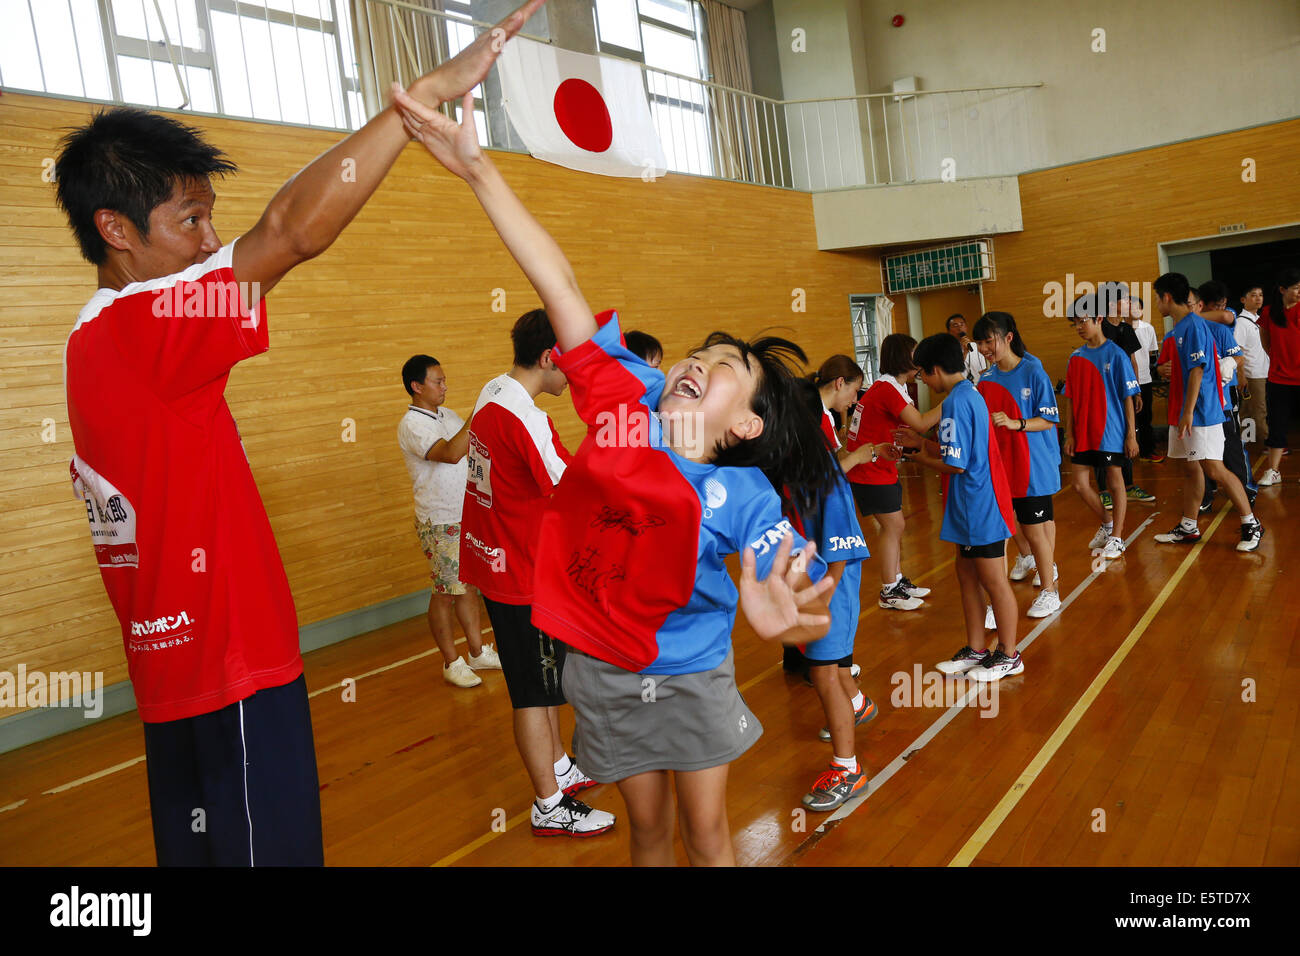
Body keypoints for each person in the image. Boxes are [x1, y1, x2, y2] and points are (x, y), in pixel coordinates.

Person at [53, 0, 545, 866]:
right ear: (115, 231)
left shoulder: (89, 342)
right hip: (232, 671)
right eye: (190, 223)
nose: (211, 244)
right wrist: (418, 98)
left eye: (211, 219)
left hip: (175, 683)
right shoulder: (144, 329)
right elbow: (287, 233)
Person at [395, 82, 839, 866]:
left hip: (693, 671)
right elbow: (557, 284)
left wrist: (788, 600)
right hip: (601, 666)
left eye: (727, 367)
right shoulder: (622, 399)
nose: (701, 361)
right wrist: (480, 173)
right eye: (700, 353)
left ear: (745, 424)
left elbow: (776, 563)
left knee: (707, 834)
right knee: (649, 832)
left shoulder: (737, 491)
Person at [459, 309, 615, 837]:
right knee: (531, 689)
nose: (576, 375)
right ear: (550, 357)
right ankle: (548, 803)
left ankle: (560, 768)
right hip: (518, 569)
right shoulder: (522, 416)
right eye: (571, 362)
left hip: (500, 558)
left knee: (546, 682)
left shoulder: (494, 390)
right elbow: (568, 486)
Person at [896, 334, 1019, 680]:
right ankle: (977, 648)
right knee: (965, 575)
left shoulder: (957, 402)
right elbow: (954, 450)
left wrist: (918, 458)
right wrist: (921, 442)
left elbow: (956, 464)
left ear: (936, 370)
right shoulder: (964, 396)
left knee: (994, 581)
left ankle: (1009, 653)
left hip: (983, 505)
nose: (922, 381)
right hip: (966, 506)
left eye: (923, 375)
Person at [782, 381, 876, 812]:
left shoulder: (821, 472)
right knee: (832, 669)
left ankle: (848, 770)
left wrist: (822, 595)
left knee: (823, 673)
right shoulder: (791, 464)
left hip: (830, 583)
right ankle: (857, 703)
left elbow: (839, 545)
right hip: (809, 582)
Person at [398, 354, 502, 688]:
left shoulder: (448, 415)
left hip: (464, 514)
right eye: (437, 381)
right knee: (445, 590)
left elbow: (473, 451)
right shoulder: (413, 424)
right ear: (417, 387)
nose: (444, 386)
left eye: (444, 380)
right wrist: (479, 411)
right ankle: (450, 660)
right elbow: (450, 453)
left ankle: (475, 652)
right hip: (440, 520)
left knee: (466, 586)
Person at [1150, 273, 1263, 552]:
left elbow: (1198, 371)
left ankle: (1251, 523)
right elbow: (1178, 370)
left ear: (1166, 297)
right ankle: (1189, 527)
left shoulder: (1195, 327)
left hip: (1202, 412)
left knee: (1215, 467)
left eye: (1157, 298)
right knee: (1192, 469)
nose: (1156, 303)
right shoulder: (1176, 331)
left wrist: (1188, 412)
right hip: (1182, 412)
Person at [972, 312, 1063, 619]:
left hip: (1033, 465)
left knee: (1034, 528)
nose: (984, 348)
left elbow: (1049, 419)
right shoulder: (986, 380)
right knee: (1002, 530)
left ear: (1007, 337)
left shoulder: (1033, 370)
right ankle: (998, 602)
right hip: (1002, 467)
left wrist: (1016, 423)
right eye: (980, 343)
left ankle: (1050, 591)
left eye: (989, 341)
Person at [843, 334, 935, 611]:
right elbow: (918, 423)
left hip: (881, 465)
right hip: (867, 469)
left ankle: (895, 581)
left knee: (895, 525)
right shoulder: (886, 389)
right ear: (903, 358)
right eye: (915, 355)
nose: (919, 361)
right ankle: (888, 590)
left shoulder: (893, 386)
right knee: (893, 525)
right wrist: (956, 396)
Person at [1060, 307, 1140, 562]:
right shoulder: (1076, 357)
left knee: (1114, 479)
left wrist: (1131, 436)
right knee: (1079, 484)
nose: (1080, 327)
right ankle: (1107, 523)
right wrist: (1069, 433)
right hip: (1083, 432)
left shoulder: (1116, 354)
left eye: (1083, 321)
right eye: (1075, 323)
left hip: (1110, 430)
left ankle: (1117, 536)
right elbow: (1070, 400)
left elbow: (1128, 398)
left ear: (1098, 319)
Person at [1194, 280, 1255, 510]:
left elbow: (1227, 318)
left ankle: (1244, 487)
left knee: (1232, 442)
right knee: (1202, 448)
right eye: (1216, 304)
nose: (1222, 307)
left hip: (1226, 392)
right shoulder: (1192, 329)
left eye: (1223, 303)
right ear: (1204, 303)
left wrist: (1191, 317)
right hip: (1201, 397)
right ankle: (1206, 494)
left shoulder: (1225, 317)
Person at [1094, 283, 1155, 506]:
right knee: (1103, 438)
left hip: (1123, 391)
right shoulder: (1099, 328)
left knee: (1128, 434)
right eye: (1126, 300)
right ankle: (1103, 490)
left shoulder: (1127, 329)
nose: (1130, 303)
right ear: (1112, 304)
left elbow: (1131, 361)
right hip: (1103, 393)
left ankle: (1129, 486)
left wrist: (1136, 389)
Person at [1256, 267, 1300, 487]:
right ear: (1282, 289)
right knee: (1277, 426)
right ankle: (1273, 470)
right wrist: (1280, 360)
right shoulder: (1268, 312)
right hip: (1279, 379)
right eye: (1296, 288)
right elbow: (1266, 343)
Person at [1126, 294, 1164, 462]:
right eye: (1129, 306)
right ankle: (1126, 452)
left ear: (1141, 310)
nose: (1133, 309)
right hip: (1126, 381)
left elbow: (1152, 355)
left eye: (1137, 306)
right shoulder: (1120, 329)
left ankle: (1147, 451)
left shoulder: (1148, 328)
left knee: (1145, 417)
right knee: (1126, 418)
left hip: (1145, 380)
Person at [1233, 283, 1269, 449]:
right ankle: (1269, 444)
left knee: (1248, 409)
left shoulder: (1258, 320)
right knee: (1259, 410)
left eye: (1260, 295)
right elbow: (1237, 350)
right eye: (1253, 295)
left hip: (1263, 371)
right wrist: (1242, 375)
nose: (1258, 298)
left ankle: (1245, 441)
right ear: (1243, 299)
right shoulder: (1241, 322)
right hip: (1252, 374)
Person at [947, 313, 987, 381]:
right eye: (955, 325)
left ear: (966, 328)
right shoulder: (947, 350)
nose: (959, 328)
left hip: (979, 386)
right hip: (961, 387)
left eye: (962, 324)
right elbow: (952, 372)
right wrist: (965, 352)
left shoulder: (976, 346)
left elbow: (983, 369)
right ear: (949, 331)